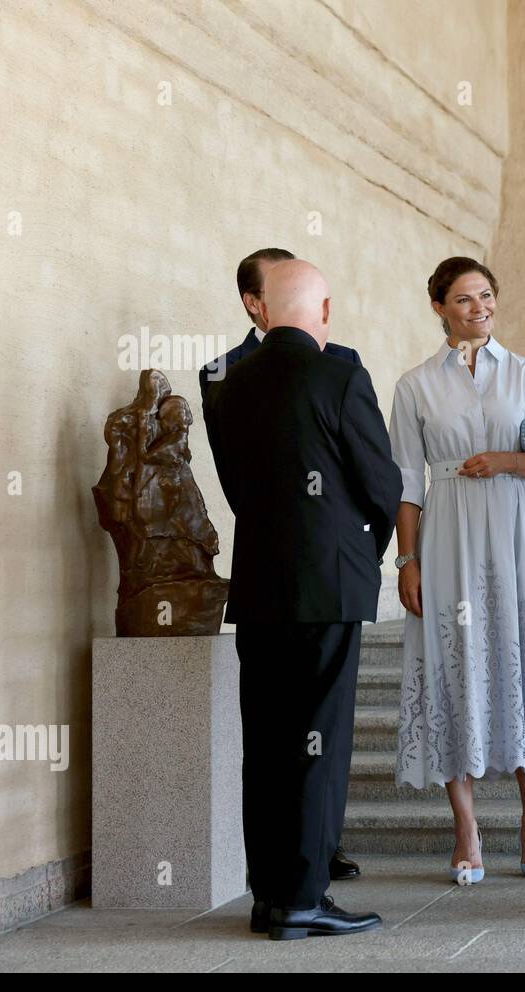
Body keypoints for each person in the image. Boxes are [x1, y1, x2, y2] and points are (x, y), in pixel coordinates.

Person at [206, 260, 402, 938]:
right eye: (327, 306)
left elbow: (236, 487)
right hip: (327, 586)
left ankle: (269, 896)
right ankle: (304, 898)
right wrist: (363, 550)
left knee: (265, 742)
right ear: (317, 307)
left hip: (260, 586)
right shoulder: (341, 375)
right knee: (320, 743)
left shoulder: (229, 383)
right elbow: (382, 482)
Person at [388, 257, 525, 882]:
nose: (479, 308)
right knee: (453, 663)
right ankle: (466, 829)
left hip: (516, 530)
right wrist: (408, 559)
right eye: (464, 299)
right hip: (445, 535)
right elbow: (404, 481)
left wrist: (505, 459)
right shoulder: (415, 385)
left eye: (486, 296)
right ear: (439, 307)